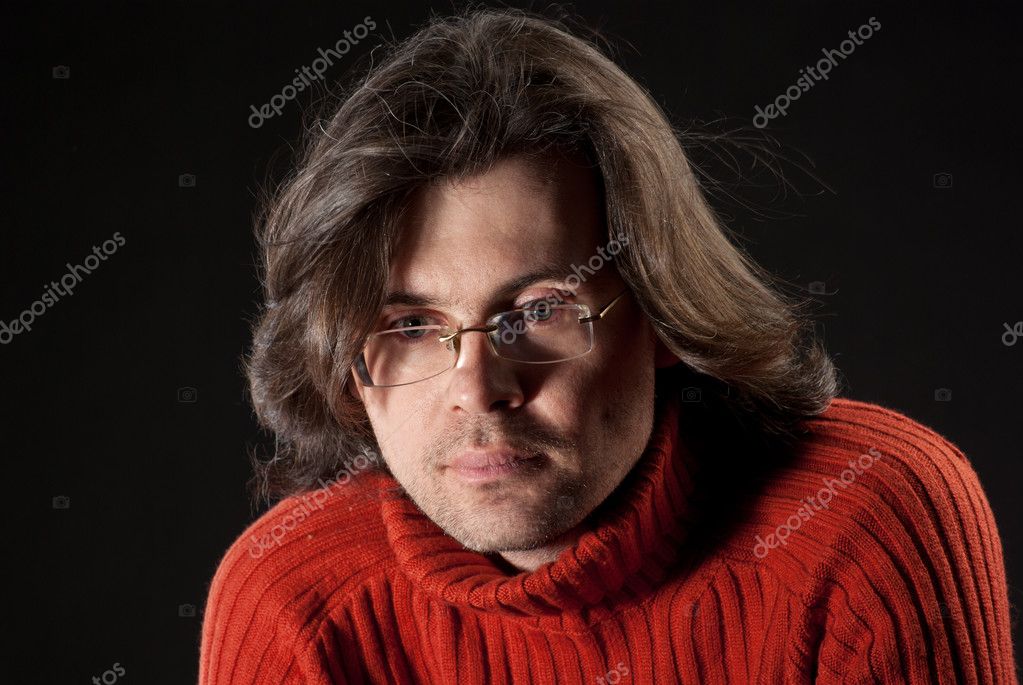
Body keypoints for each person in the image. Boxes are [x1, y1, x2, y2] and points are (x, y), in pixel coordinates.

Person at [199, 8, 1017, 683]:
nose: (480, 387)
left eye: (540, 308)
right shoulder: (294, 599)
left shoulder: (862, 518)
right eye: (409, 326)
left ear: (660, 316)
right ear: (350, 363)